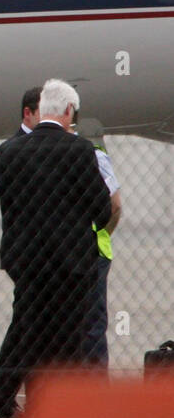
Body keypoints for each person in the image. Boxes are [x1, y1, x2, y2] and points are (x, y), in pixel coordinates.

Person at [0, 79, 112, 418]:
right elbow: (101, 209)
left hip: (25, 261)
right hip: (70, 261)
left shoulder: (8, 152)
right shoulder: (80, 151)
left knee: (29, 331)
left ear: (40, 110)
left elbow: (8, 204)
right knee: (69, 338)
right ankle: (63, 407)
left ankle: (21, 401)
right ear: (68, 111)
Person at [0, 86, 40, 418]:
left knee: (24, 325)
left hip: (26, 252)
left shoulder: (12, 150)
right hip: (31, 253)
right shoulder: (13, 150)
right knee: (28, 328)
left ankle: (2, 398)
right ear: (28, 113)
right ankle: (5, 398)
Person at [70, 112, 122, 367]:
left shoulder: (92, 157)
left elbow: (115, 206)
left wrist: (99, 233)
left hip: (87, 250)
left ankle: (88, 386)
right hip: (93, 248)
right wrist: (102, 233)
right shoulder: (94, 156)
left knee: (82, 323)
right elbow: (115, 207)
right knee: (92, 323)